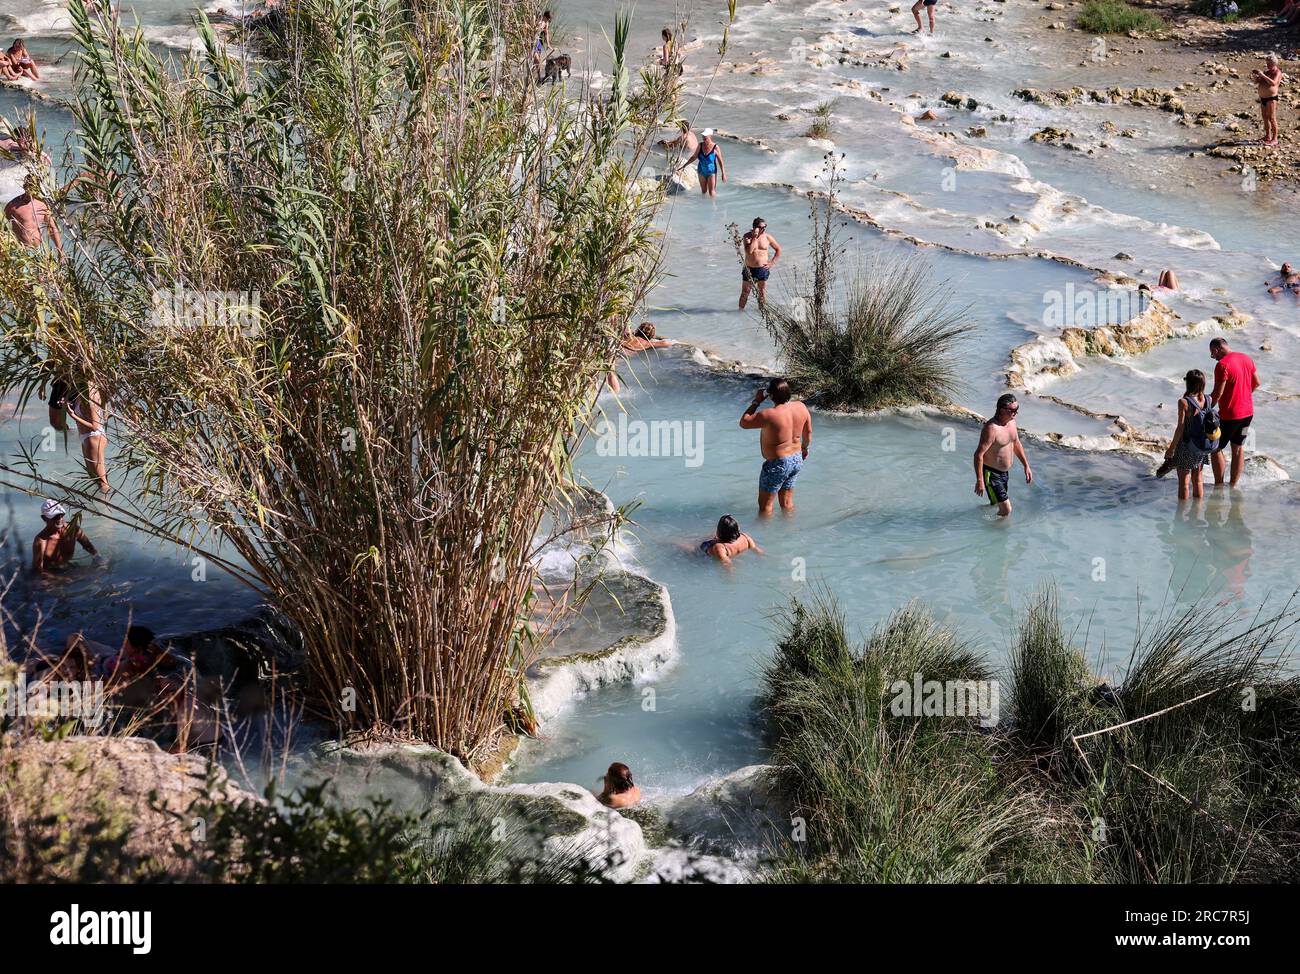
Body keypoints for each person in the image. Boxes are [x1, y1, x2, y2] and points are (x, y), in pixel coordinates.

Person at [740, 377, 812, 516]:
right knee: (787, 504)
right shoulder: (801, 407)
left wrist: (756, 401)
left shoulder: (768, 414)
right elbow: (808, 432)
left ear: (770, 395)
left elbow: (744, 422)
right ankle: (789, 531)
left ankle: (766, 535)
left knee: (765, 507)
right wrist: (805, 448)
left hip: (777, 463)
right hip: (796, 459)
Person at [1208, 337, 1259, 487]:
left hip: (1230, 416)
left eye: (1212, 354)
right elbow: (1257, 382)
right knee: (1237, 447)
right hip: (1248, 413)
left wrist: (1206, 410)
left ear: (1217, 349)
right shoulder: (1246, 358)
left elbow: (1217, 394)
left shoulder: (1222, 365)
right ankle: (1233, 485)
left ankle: (1218, 486)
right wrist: (1243, 396)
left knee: (1215, 448)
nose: (1213, 357)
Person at [974, 393, 1032, 517]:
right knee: (1006, 509)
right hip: (991, 474)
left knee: (996, 504)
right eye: (1012, 410)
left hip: (1004, 474)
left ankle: (977, 514)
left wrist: (1026, 465)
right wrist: (980, 480)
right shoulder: (991, 428)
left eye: (1017, 410)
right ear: (1002, 409)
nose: (1015, 413)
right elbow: (978, 455)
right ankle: (994, 532)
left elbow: (1016, 443)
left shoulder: (1012, 423)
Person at [1161, 370, 1215, 501]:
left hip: (1187, 446)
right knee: (1198, 480)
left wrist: (1171, 448)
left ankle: (1181, 515)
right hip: (1202, 444)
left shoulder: (1184, 402)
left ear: (1188, 383)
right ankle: (1197, 512)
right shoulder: (1209, 399)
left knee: (1184, 483)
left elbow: (1181, 427)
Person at [32, 499, 97, 572]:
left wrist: (99, 559)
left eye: (61, 515)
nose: (60, 519)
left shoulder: (74, 529)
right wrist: (60, 579)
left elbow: (89, 547)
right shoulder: (41, 541)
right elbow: (38, 570)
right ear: (44, 518)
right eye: (55, 517)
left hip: (68, 568)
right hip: (51, 573)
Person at [67, 381, 110, 493]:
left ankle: (106, 508)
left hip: (94, 438)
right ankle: (101, 506)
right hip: (87, 437)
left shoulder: (89, 397)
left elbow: (94, 426)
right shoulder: (82, 394)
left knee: (102, 482)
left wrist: (73, 415)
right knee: (94, 478)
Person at [5, 174, 63, 256]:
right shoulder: (13, 205)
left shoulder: (42, 205)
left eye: (33, 187)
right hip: (21, 251)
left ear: (38, 188)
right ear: (24, 186)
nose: (30, 190)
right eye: (29, 186)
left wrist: (61, 252)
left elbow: (52, 229)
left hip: (40, 251)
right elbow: (4, 227)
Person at [740, 217, 781, 310]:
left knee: (762, 293)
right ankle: (740, 313)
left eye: (765, 227)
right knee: (745, 293)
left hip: (762, 269)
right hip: (749, 269)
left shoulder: (767, 237)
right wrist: (755, 237)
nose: (763, 229)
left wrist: (772, 263)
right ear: (754, 227)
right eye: (761, 227)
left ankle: (762, 313)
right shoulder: (747, 236)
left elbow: (778, 250)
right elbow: (749, 251)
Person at [1250, 55, 1285, 147]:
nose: (1267, 64)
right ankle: (1267, 136)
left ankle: (1275, 139)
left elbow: (1273, 83)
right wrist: (1256, 76)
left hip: (1271, 98)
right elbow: (1256, 82)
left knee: (1272, 118)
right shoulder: (1266, 72)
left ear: (1274, 63)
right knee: (1265, 117)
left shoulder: (1277, 72)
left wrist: (1263, 75)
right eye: (1267, 63)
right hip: (1263, 98)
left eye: (1269, 63)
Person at [681, 129, 725, 197]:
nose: (704, 137)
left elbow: (720, 161)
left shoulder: (715, 147)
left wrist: (723, 174)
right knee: (704, 191)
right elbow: (694, 157)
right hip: (701, 171)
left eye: (705, 136)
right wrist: (684, 165)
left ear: (710, 136)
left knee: (711, 192)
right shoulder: (700, 145)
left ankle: (714, 206)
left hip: (712, 172)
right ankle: (704, 205)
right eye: (703, 135)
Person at [532, 10, 552, 79]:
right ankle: (539, 77)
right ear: (544, 16)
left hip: (539, 42)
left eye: (549, 20)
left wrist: (548, 44)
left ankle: (534, 76)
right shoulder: (539, 20)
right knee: (537, 61)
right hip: (533, 41)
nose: (548, 21)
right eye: (547, 19)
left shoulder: (546, 23)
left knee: (537, 61)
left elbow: (546, 34)